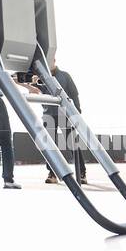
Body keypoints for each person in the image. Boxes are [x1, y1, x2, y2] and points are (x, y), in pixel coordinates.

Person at [39, 57, 86, 185]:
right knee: (50, 145)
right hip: (48, 114)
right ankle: (52, 173)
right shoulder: (40, 77)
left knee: (72, 143)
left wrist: (77, 113)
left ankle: (81, 173)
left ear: (54, 60)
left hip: (64, 113)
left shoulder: (65, 76)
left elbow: (74, 94)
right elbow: (38, 92)